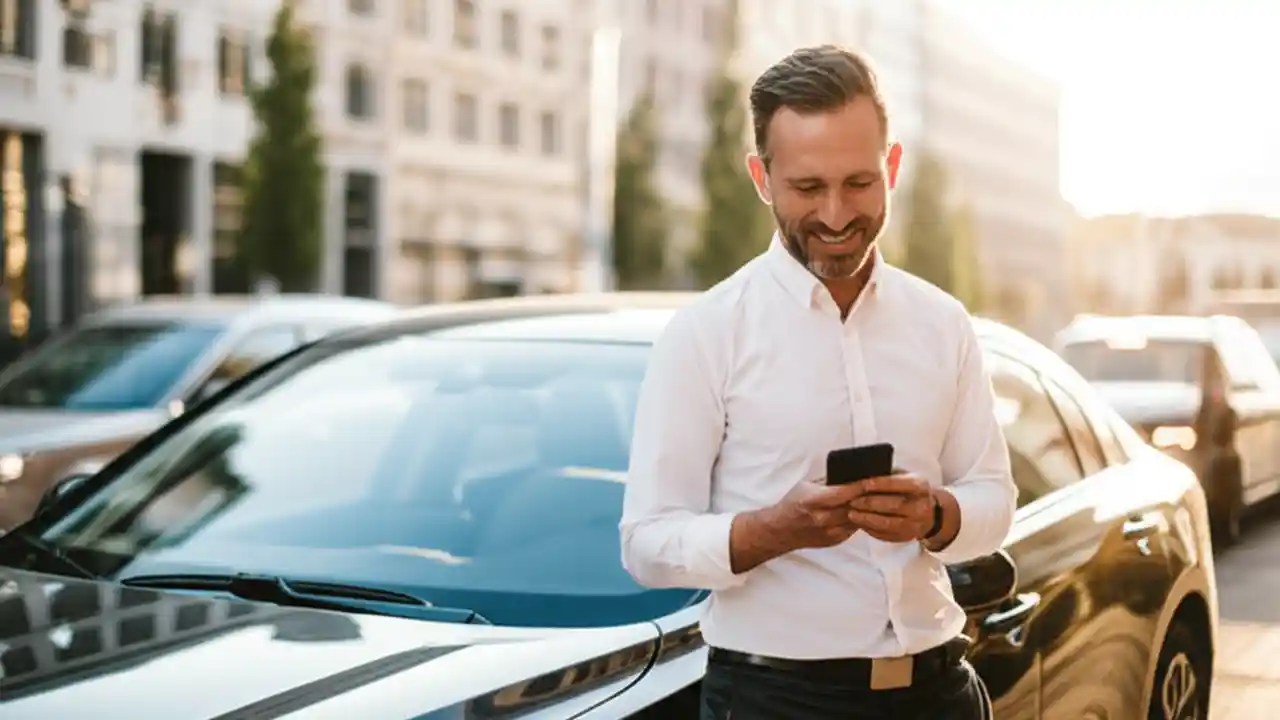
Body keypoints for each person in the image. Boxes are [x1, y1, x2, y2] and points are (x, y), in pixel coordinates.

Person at [619, 45, 1016, 719]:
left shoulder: (943, 323)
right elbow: (647, 545)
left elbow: (994, 502)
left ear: (891, 167)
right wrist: (772, 529)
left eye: (859, 183)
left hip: (939, 689)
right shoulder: (706, 333)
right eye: (808, 188)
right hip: (775, 701)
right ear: (761, 178)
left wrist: (936, 515)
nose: (835, 215)